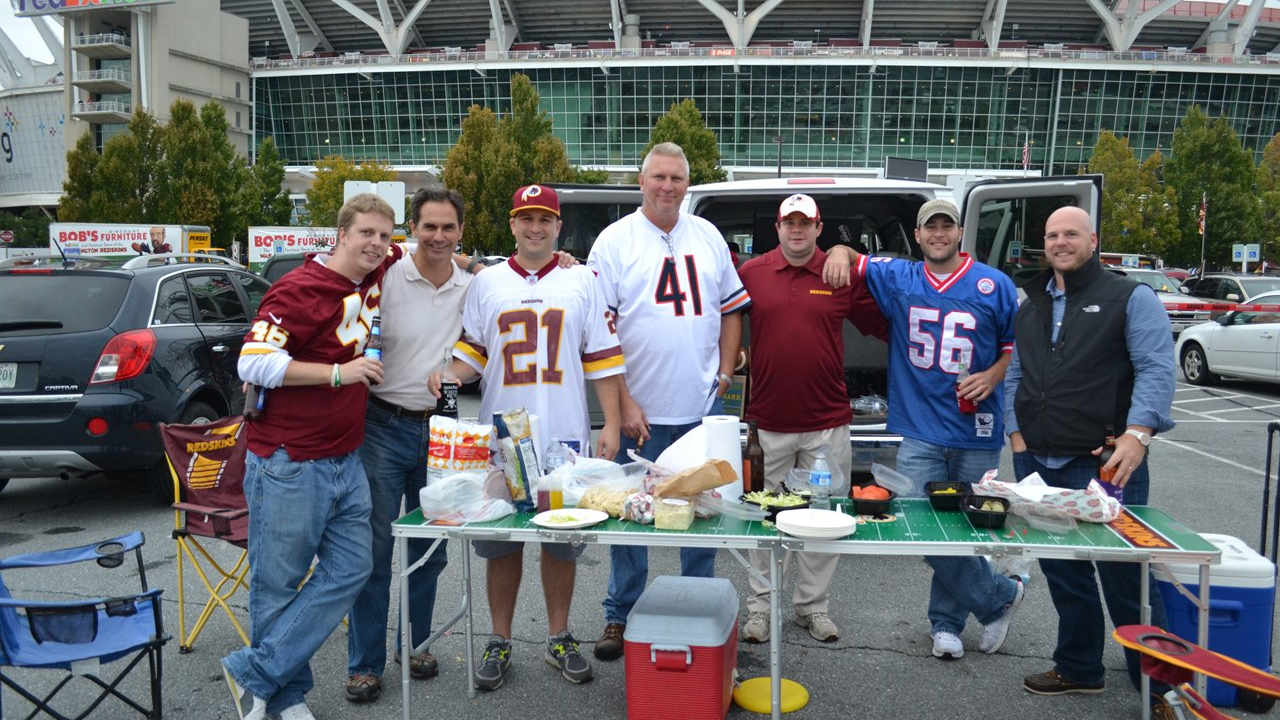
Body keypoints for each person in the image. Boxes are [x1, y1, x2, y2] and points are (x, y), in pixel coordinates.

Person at [429, 184, 625, 691]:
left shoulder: (582, 279)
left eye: (544, 219)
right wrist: (449, 375)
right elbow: (474, 352)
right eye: (526, 218)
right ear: (512, 224)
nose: (535, 228)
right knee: (502, 543)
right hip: (502, 437)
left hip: (564, 436)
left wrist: (612, 424)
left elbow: (602, 357)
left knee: (560, 541)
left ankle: (559, 635)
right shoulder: (487, 282)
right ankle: (500, 638)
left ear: (558, 226)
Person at [224, 194, 400, 720]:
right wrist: (338, 373)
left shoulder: (374, 268)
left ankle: (257, 674)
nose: (376, 244)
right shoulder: (298, 289)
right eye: (365, 233)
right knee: (278, 584)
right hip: (290, 460)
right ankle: (284, 697)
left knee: (353, 568)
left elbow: (423, 248)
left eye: (384, 236)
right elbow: (252, 363)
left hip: (345, 457)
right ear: (340, 234)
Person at [832, 198, 1025, 660]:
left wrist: (994, 374)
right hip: (920, 427)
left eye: (946, 226)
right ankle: (1000, 595)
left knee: (965, 530)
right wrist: (839, 251)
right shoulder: (902, 275)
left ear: (959, 232)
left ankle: (946, 624)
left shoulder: (994, 284)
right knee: (925, 530)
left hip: (976, 427)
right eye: (930, 227)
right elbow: (853, 259)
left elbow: (1014, 347)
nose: (939, 234)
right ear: (917, 236)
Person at [1004, 205, 1175, 714]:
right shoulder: (1031, 302)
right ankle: (1079, 668)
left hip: (1104, 464)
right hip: (1038, 462)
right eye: (1052, 235)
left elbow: (1156, 368)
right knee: (1065, 575)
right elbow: (1016, 375)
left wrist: (1139, 434)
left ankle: (1163, 690)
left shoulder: (1131, 297)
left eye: (1071, 234)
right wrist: (1016, 437)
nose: (1060, 242)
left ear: (1093, 240)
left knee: (1127, 581)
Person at [587, 142, 750, 661]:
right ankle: (621, 614)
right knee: (628, 517)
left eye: (676, 178)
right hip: (640, 409)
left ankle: (696, 610)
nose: (667, 186)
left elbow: (731, 308)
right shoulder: (615, 240)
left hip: (700, 408)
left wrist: (725, 370)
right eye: (658, 177)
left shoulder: (707, 236)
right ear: (642, 182)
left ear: (687, 184)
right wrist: (624, 402)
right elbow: (601, 329)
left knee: (702, 516)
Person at [736, 194, 886, 643]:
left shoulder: (838, 273)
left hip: (826, 424)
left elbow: (887, 323)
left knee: (823, 519)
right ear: (778, 228)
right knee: (762, 520)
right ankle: (761, 608)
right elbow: (718, 320)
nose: (797, 230)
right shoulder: (752, 273)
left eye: (806, 223)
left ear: (819, 228)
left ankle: (813, 607)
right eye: (790, 223)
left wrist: (850, 255)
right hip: (767, 423)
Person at [343, 188, 471, 703]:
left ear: (461, 231)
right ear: (412, 229)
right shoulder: (386, 276)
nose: (438, 236)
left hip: (441, 429)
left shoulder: (471, 285)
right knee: (374, 551)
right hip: (382, 425)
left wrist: (455, 372)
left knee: (431, 550)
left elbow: (481, 346)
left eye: (448, 227)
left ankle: (415, 645)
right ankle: (365, 664)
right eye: (429, 226)